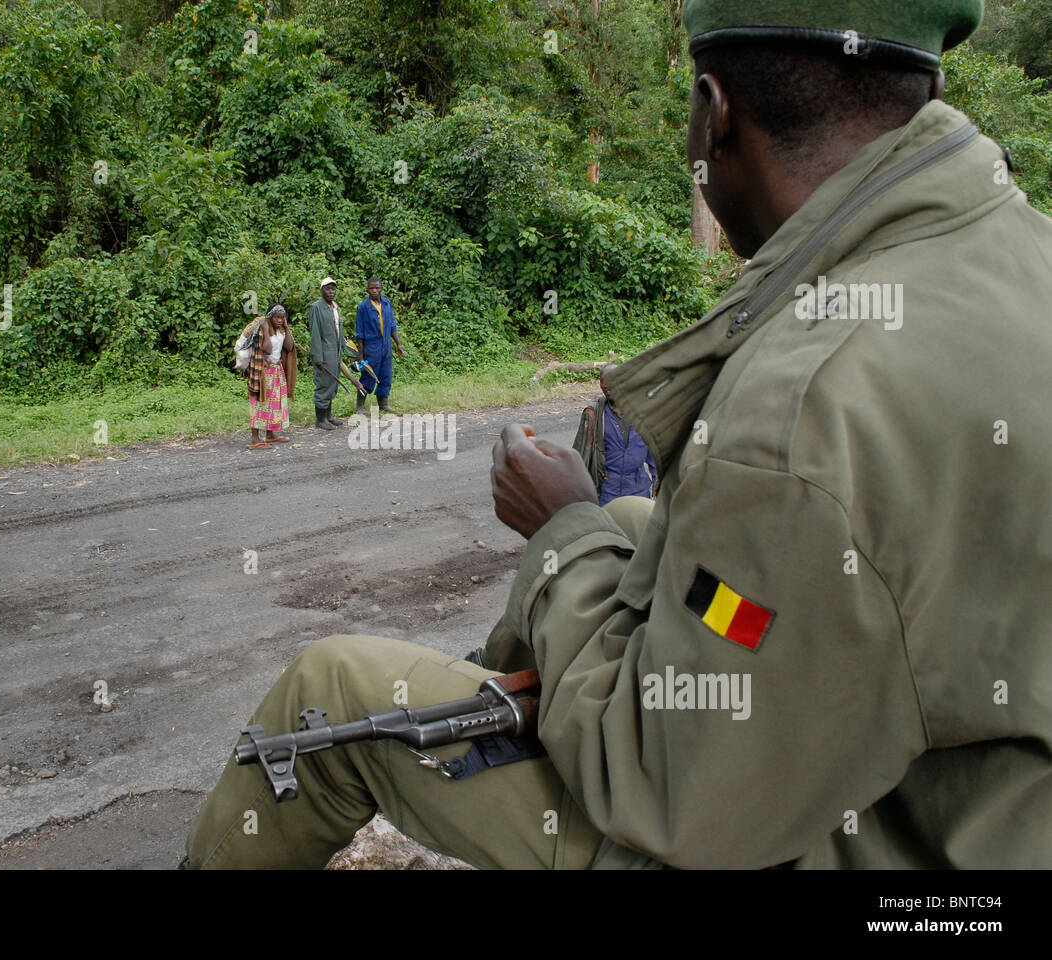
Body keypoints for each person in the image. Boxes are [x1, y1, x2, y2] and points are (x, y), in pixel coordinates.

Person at [186, 0, 1052, 869]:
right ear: (931, 87)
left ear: (716, 115)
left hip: (850, 844)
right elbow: (756, 607)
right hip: (973, 792)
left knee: (330, 697)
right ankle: (510, 688)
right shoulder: (1024, 253)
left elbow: (677, 788)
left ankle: (505, 706)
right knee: (639, 527)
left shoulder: (805, 401)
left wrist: (562, 529)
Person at [244, 305, 297, 450]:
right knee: (259, 403)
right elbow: (266, 349)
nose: (279, 320)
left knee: (273, 404)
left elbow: (289, 346)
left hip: (276, 371)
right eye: (276, 317)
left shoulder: (281, 330)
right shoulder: (263, 330)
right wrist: (267, 330)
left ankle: (270, 434)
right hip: (262, 373)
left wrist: (286, 328)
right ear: (270, 317)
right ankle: (255, 439)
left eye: (282, 317)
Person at [352, 278, 404, 415]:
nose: (374, 290)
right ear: (367, 289)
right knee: (368, 375)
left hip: (386, 346)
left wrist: (398, 344)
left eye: (377, 288)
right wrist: (361, 354)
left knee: (385, 375)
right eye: (371, 288)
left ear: (381, 288)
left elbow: (392, 325)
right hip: (371, 347)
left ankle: (383, 404)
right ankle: (360, 406)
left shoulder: (387, 303)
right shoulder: (363, 307)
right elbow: (360, 332)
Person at [308, 277, 347, 430]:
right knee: (324, 384)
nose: (331, 292)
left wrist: (344, 347)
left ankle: (329, 416)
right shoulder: (316, 307)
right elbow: (315, 333)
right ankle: (320, 419)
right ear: (322, 290)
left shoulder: (335, 308)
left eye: (333, 289)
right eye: (327, 289)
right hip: (324, 352)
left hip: (336, 352)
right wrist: (317, 356)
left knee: (333, 383)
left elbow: (339, 331)